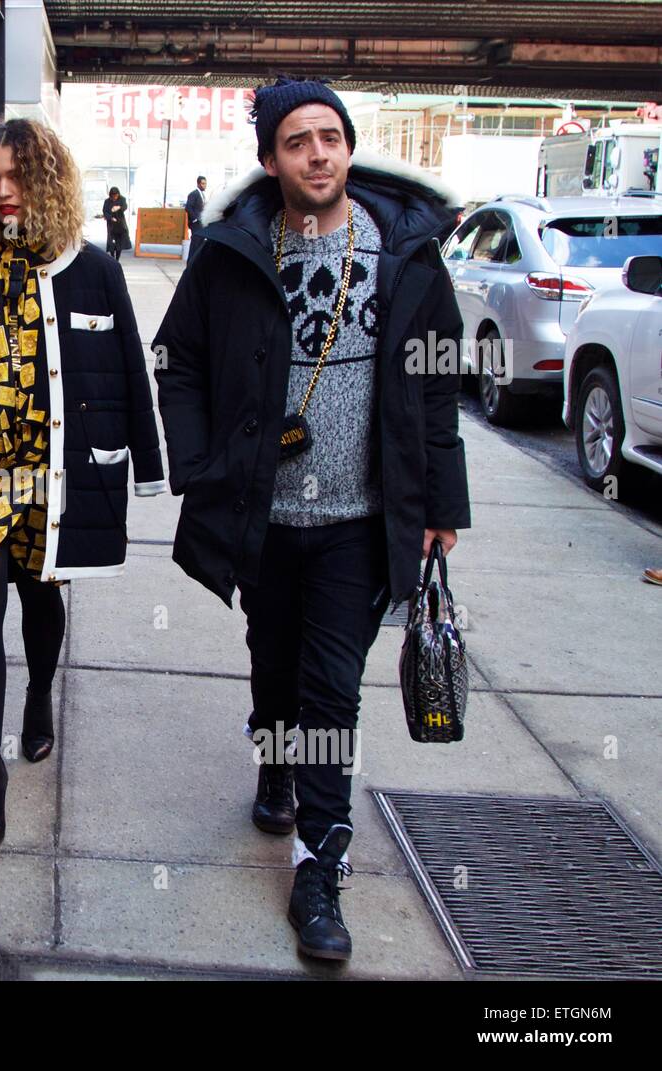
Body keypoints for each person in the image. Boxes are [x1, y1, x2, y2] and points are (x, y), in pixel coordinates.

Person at [152, 76, 470, 962]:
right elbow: (176, 361)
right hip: (264, 515)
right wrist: (202, 463)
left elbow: (438, 377)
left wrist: (441, 503)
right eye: (298, 141)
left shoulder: (405, 251)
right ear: (270, 160)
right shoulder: (230, 251)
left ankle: (320, 870)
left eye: (330, 136)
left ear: (348, 148)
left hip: (361, 522)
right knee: (272, 660)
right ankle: (274, 755)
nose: (318, 153)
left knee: (330, 688)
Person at [0, 118, 166, 851]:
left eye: (16, 176)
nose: (2, 191)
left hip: (51, 465)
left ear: (46, 180)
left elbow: (126, 374)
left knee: (40, 591)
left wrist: (142, 467)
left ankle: (39, 694)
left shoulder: (92, 270)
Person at [102, 187, 131, 260]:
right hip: (111, 224)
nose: (114, 197)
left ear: (118, 194)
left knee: (119, 242)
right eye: (113, 196)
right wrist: (110, 218)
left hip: (120, 223)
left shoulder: (122, 199)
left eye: (116, 196)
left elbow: (125, 206)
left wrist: (119, 207)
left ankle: (117, 259)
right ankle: (112, 257)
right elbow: (105, 211)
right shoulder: (107, 201)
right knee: (111, 241)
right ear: (110, 195)